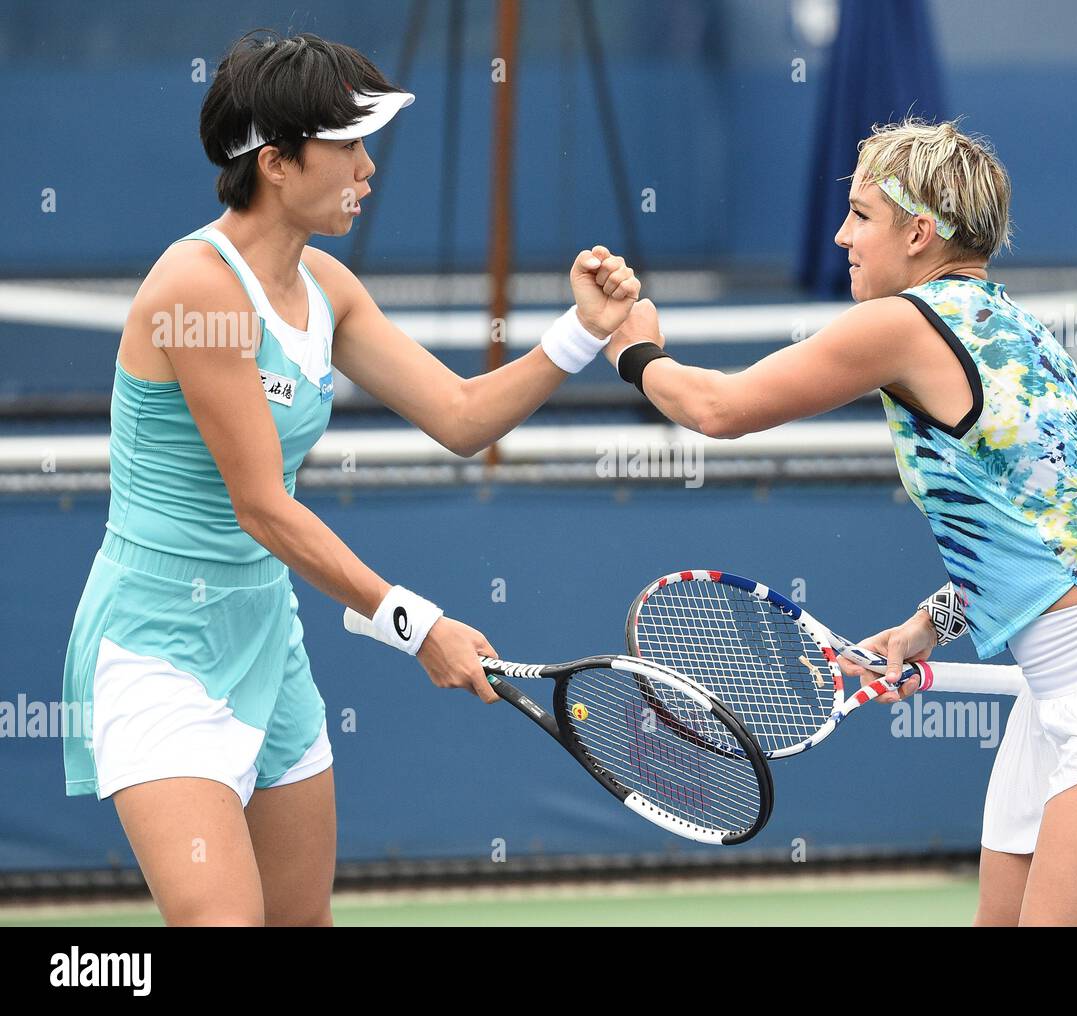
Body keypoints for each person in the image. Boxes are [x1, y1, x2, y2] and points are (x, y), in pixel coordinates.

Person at [604, 118, 1077, 926]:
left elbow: (718, 408)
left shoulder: (904, 324)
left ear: (919, 233)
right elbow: (1053, 532)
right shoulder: (1018, 331)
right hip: (1065, 688)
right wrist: (931, 623)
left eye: (861, 216)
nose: (841, 235)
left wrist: (633, 349)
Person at [60, 30, 641, 926]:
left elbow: (460, 417)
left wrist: (582, 330)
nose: (369, 166)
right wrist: (418, 626)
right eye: (348, 145)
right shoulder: (195, 288)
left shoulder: (327, 286)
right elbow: (262, 506)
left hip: (265, 645)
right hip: (156, 652)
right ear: (277, 163)